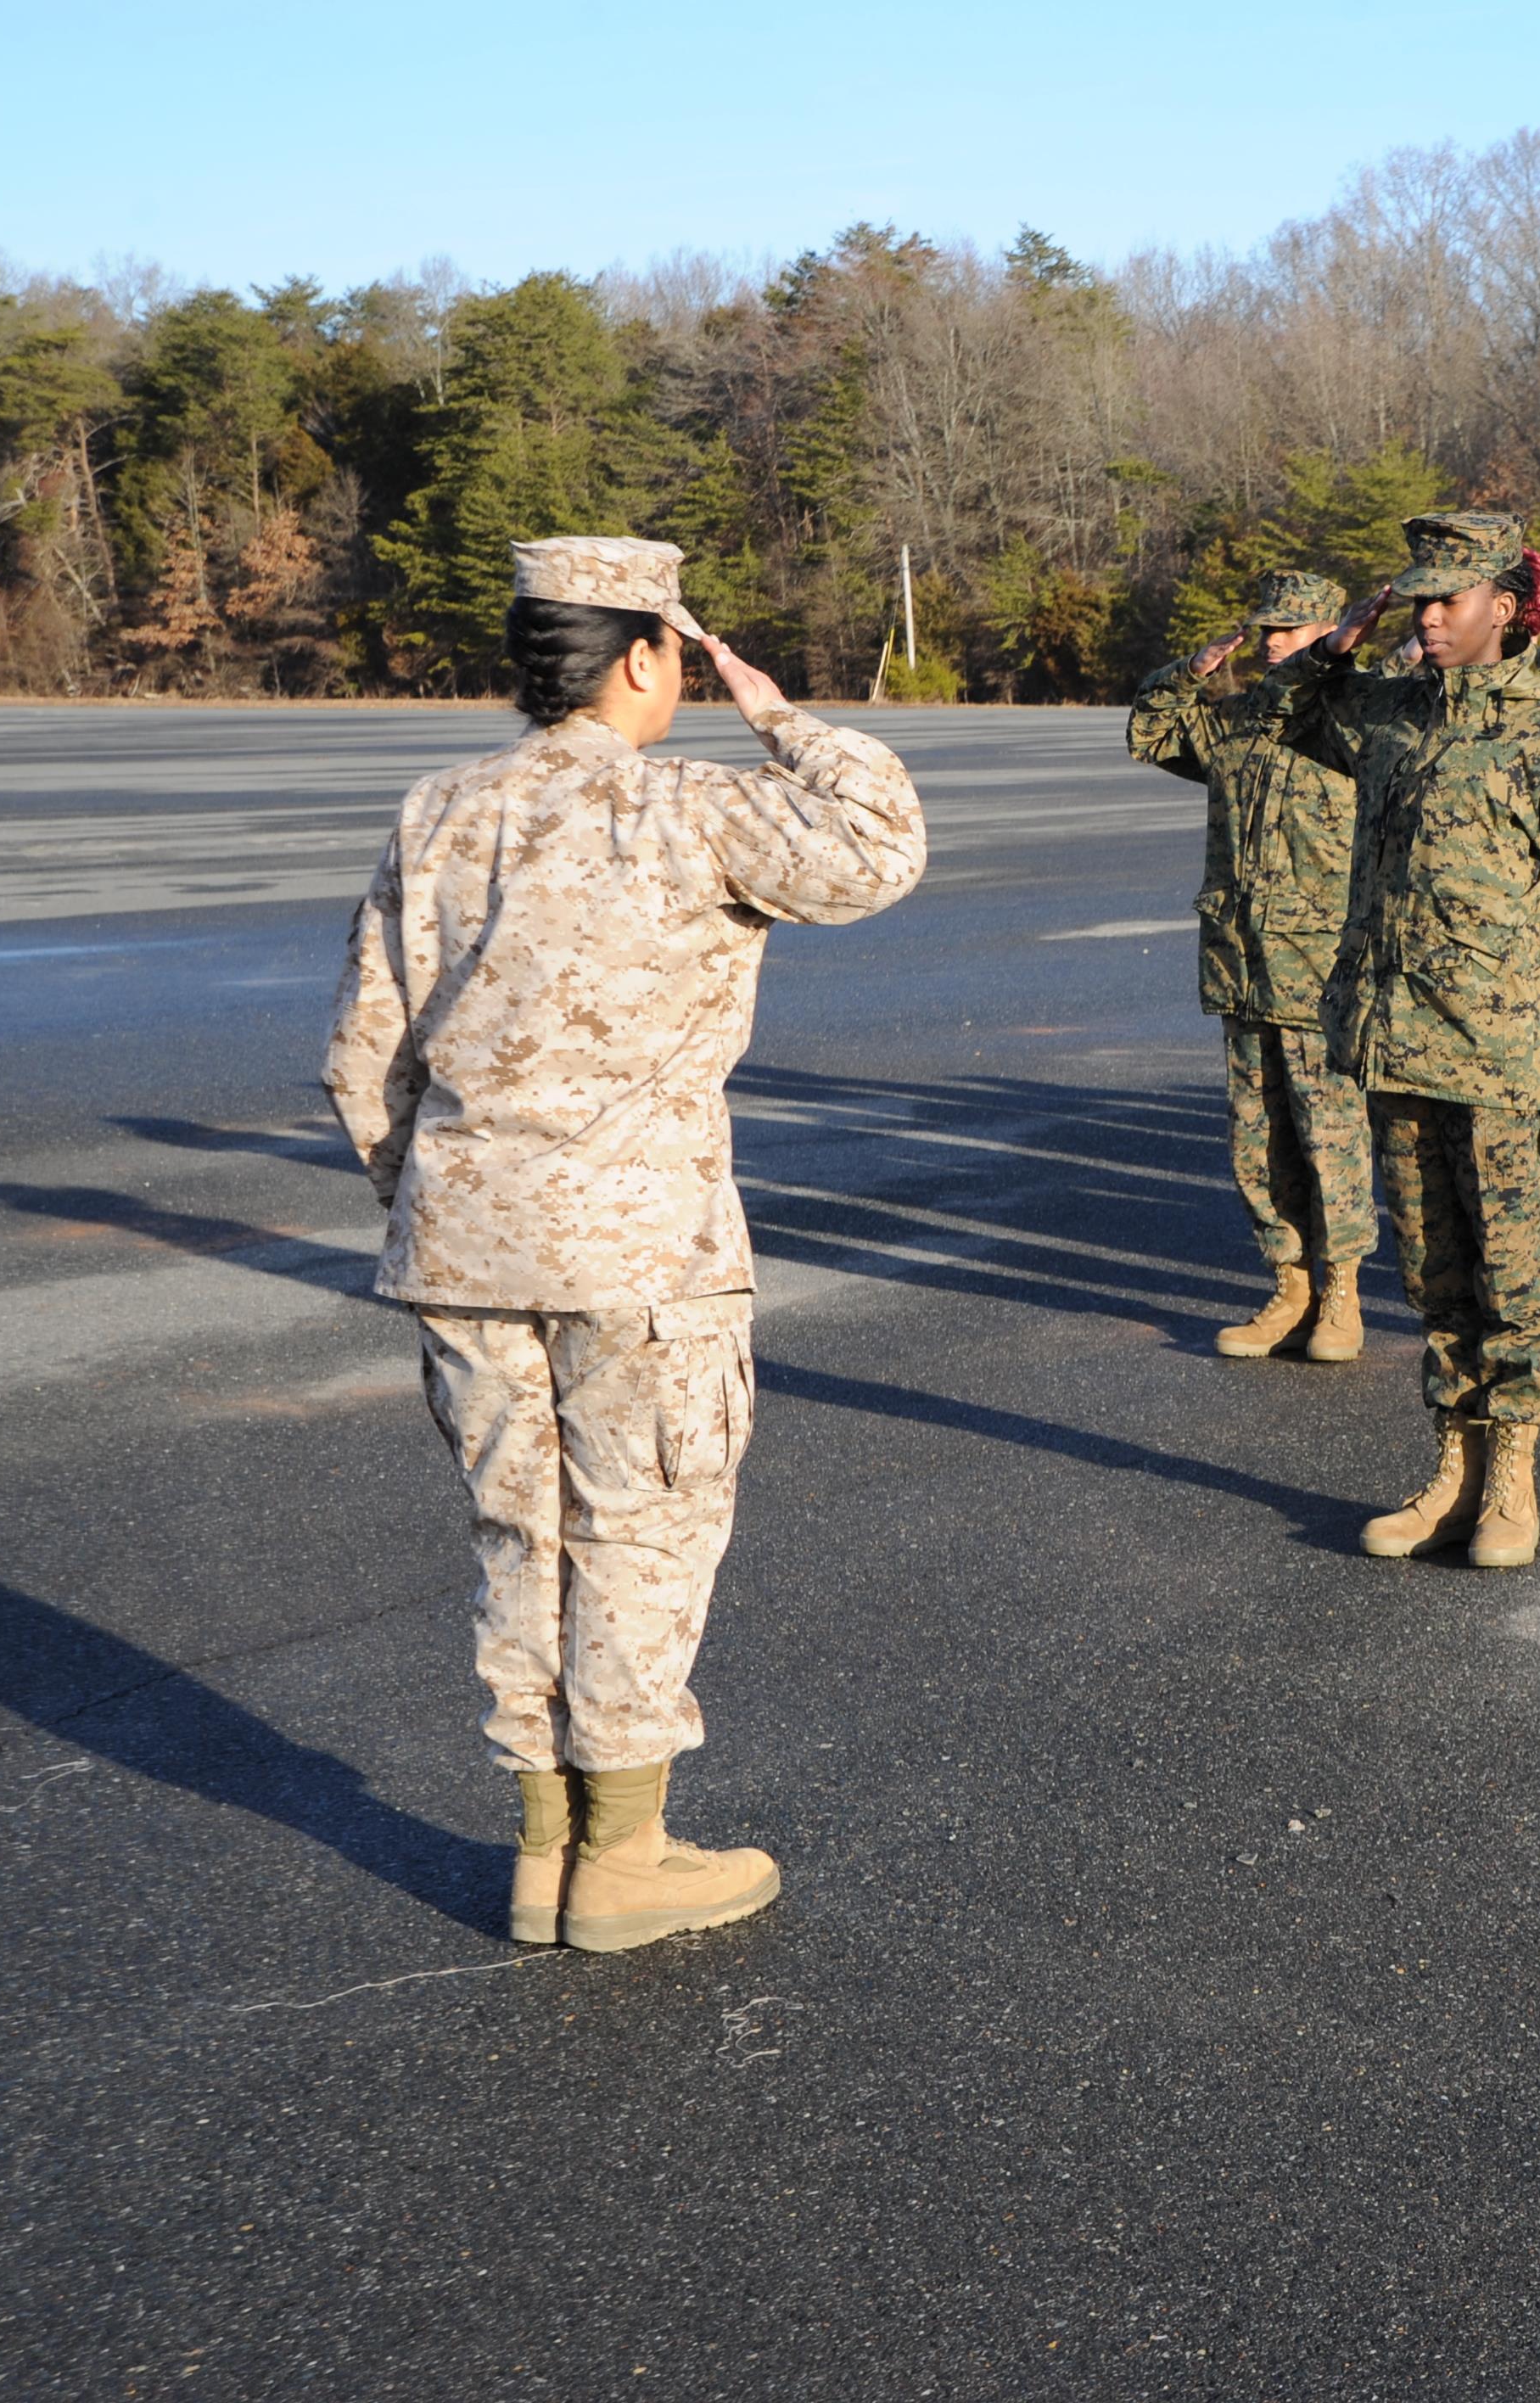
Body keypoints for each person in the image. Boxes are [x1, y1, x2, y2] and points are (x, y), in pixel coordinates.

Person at [322, 535, 927, 1952]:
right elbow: (883, 844)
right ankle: (625, 1857)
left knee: (517, 1535)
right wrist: (781, 716)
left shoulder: (439, 808)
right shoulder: (695, 808)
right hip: (640, 1251)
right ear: (649, 656)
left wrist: (437, 1198)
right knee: (640, 1535)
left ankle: (543, 1854)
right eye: (678, 655)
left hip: (465, 1247)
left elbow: (363, 1057)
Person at [1270, 512, 1540, 1568]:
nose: (1426, 615)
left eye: (1446, 598)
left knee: (1512, 1278)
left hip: (1502, 1058)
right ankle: (1453, 1469)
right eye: (1417, 597)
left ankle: (1512, 1477)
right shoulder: (1391, 713)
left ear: (1502, 610)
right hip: (1397, 1044)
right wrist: (1338, 640)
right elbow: (1276, 715)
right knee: (1432, 1277)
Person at [1129, 569, 1376, 1364]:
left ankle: (1342, 1293)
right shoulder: (1235, 723)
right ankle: (1289, 1285)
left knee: (1329, 1134)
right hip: (1242, 963)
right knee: (1257, 1139)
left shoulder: (1349, 717)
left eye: (1291, 629)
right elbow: (1151, 733)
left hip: (1318, 967)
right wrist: (1191, 671)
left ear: (1329, 633)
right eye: (1267, 628)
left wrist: (1334, 665)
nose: (1273, 641)